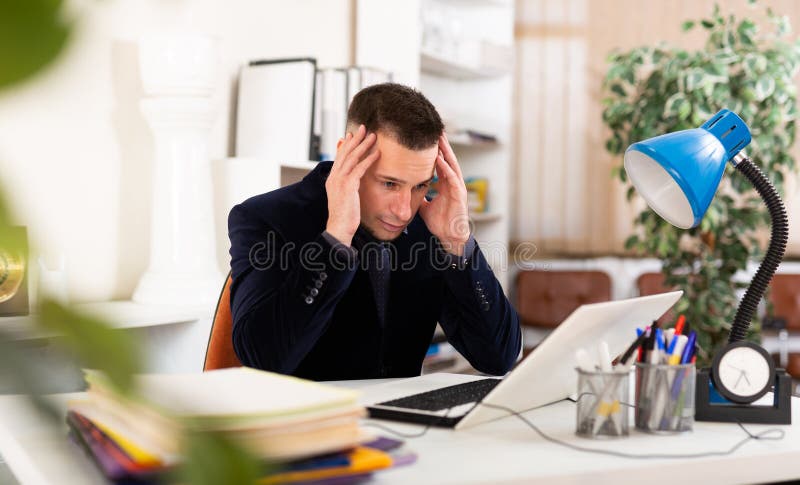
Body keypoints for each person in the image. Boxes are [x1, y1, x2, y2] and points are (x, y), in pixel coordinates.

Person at [228, 83, 521, 381]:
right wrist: (335, 240)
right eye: (389, 184)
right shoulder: (265, 218)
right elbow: (262, 362)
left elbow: (498, 358)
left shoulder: (431, 226)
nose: (404, 210)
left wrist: (458, 244)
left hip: (404, 422)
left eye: (420, 185)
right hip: (309, 421)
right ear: (347, 155)